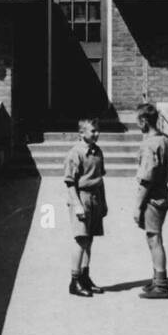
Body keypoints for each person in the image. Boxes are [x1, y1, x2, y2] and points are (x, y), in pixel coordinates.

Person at [133, 102, 168, 299]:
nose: (138, 125)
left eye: (138, 122)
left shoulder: (149, 146)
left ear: (144, 122)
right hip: (162, 194)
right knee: (154, 238)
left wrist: (137, 208)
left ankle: (162, 285)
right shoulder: (165, 140)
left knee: (154, 239)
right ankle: (156, 279)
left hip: (153, 199)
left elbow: (145, 182)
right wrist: (166, 178)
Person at [62, 118, 107, 297]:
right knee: (81, 240)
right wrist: (78, 205)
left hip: (95, 198)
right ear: (81, 133)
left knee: (89, 240)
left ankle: (85, 277)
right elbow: (70, 183)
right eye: (92, 131)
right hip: (81, 198)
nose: (96, 134)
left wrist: (104, 203)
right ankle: (74, 281)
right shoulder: (75, 153)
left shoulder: (97, 151)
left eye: (97, 130)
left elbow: (100, 179)